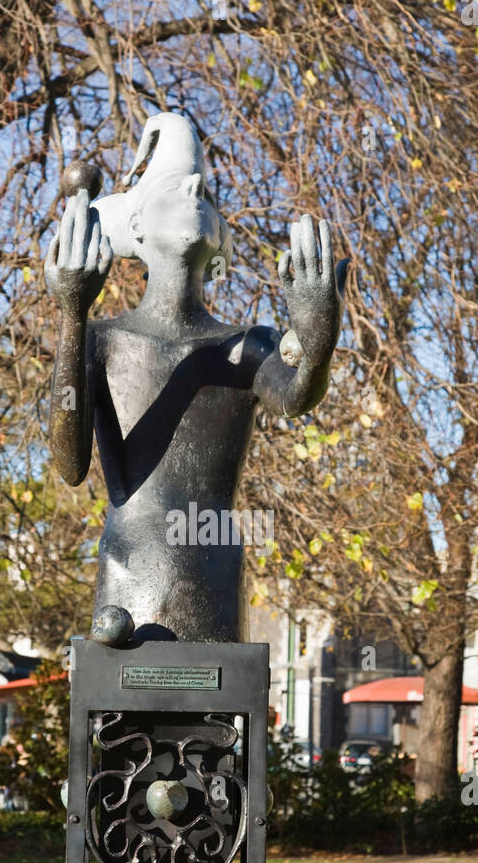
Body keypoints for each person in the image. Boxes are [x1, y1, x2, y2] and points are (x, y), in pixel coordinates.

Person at [45, 112, 347, 643]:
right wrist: (72, 315)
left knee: (221, 721)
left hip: (215, 587)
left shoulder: (248, 346)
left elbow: (297, 396)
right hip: (126, 582)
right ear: (133, 228)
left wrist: (318, 346)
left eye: (205, 194)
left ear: (220, 245)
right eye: (172, 186)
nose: (194, 187)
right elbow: (70, 464)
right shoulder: (101, 340)